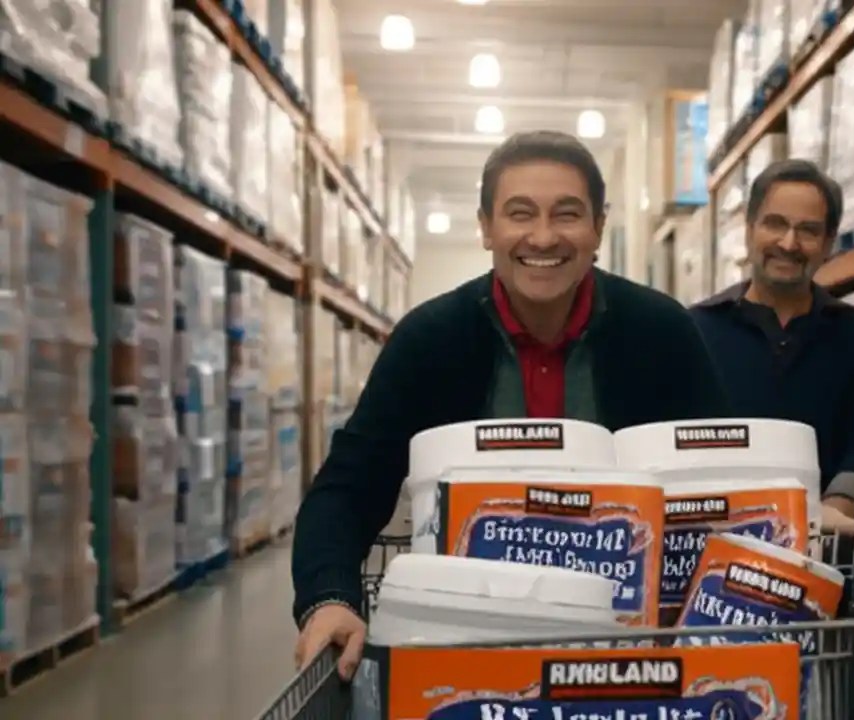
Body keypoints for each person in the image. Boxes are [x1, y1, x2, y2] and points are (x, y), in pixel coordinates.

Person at [292, 130, 731, 678]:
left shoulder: (662, 332)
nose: (543, 237)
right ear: (486, 228)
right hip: (464, 647)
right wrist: (329, 597)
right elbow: (347, 489)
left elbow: (720, 491)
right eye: (520, 214)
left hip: (628, 658)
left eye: (567, 214)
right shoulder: (431, 340)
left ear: (598, 226)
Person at [690, 159, 854, 536]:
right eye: (775, 224)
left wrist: (825, 518)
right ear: (749, 230)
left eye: (807, 231)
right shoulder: (695, 331)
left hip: (818, 560)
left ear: (828, 244)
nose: (789, 244)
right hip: (705, 553)